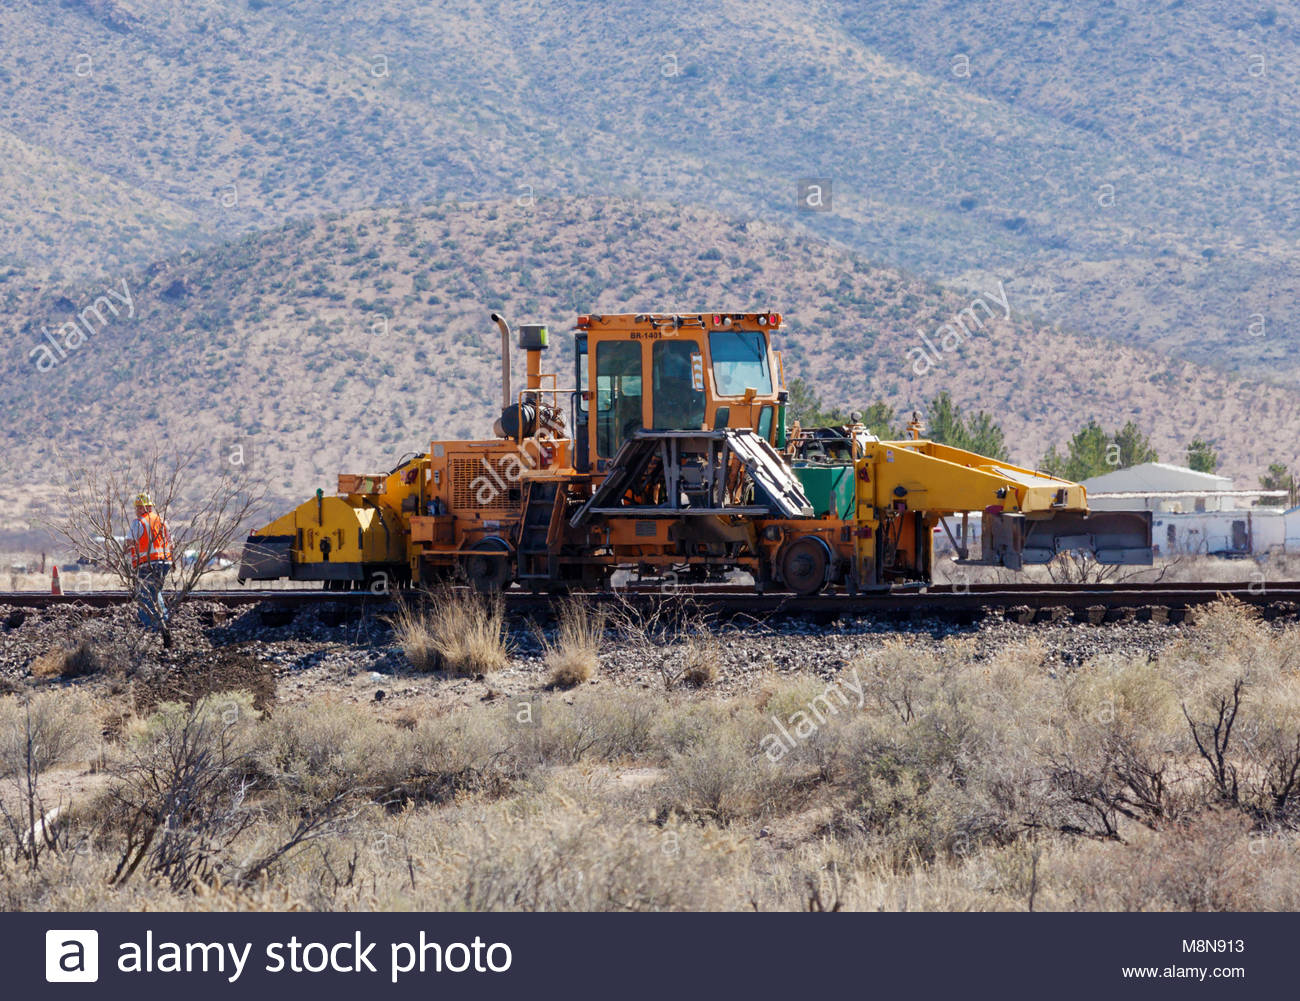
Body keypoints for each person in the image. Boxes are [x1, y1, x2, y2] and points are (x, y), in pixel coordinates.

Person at [129, 491, 173, 648]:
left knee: (144, 596)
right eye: (138, 507)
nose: (139, 510)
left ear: (147, 507)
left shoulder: (138, 523)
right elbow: (170, 543)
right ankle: (163, 622)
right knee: (155, 592)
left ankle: (148, 629)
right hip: (164, 562)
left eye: (141, 507)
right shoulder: (162, 521)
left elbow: (129, 542)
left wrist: (122, 554)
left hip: (147, 564)